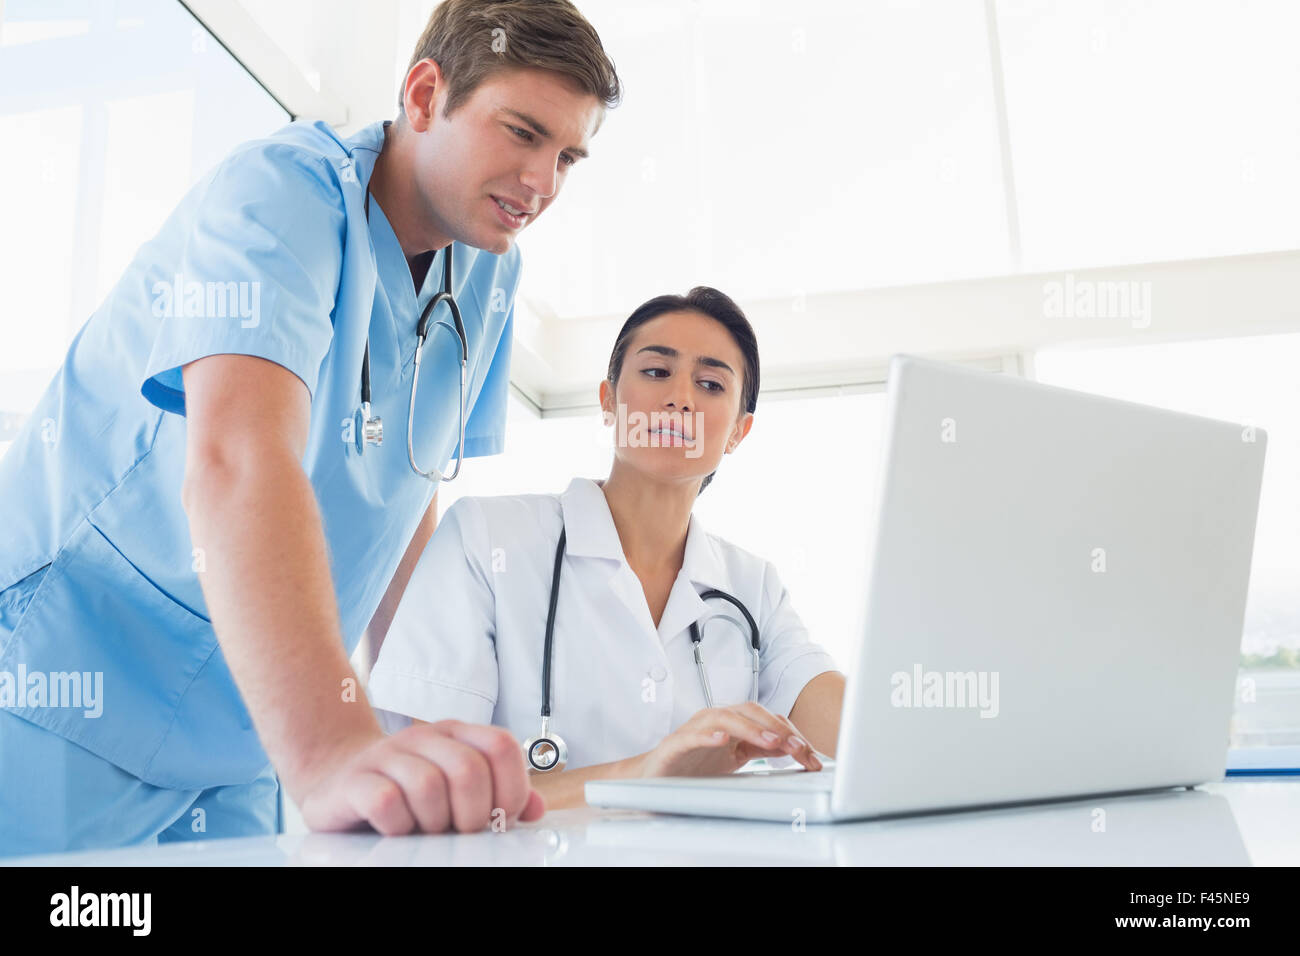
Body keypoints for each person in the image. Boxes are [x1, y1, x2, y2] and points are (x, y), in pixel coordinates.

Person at [0, 0, 620, 854]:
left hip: (247, 727)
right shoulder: (281, 192)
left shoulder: (488, 274)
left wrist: (417, 729)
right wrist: (332, 747)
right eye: (523, 133)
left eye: (568, 158)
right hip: (74, 674)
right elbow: (238, 455)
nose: (542, 182)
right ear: (425, 95)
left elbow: (405, 497)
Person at [370, 287, 847, 810]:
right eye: (656, 372)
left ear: (738, 431)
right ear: (607, 401)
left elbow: (851, 726)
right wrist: (645, 774)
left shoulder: (753, 588)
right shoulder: (485, 537)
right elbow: (438, 788)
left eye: (710, 384)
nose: (680, 399)